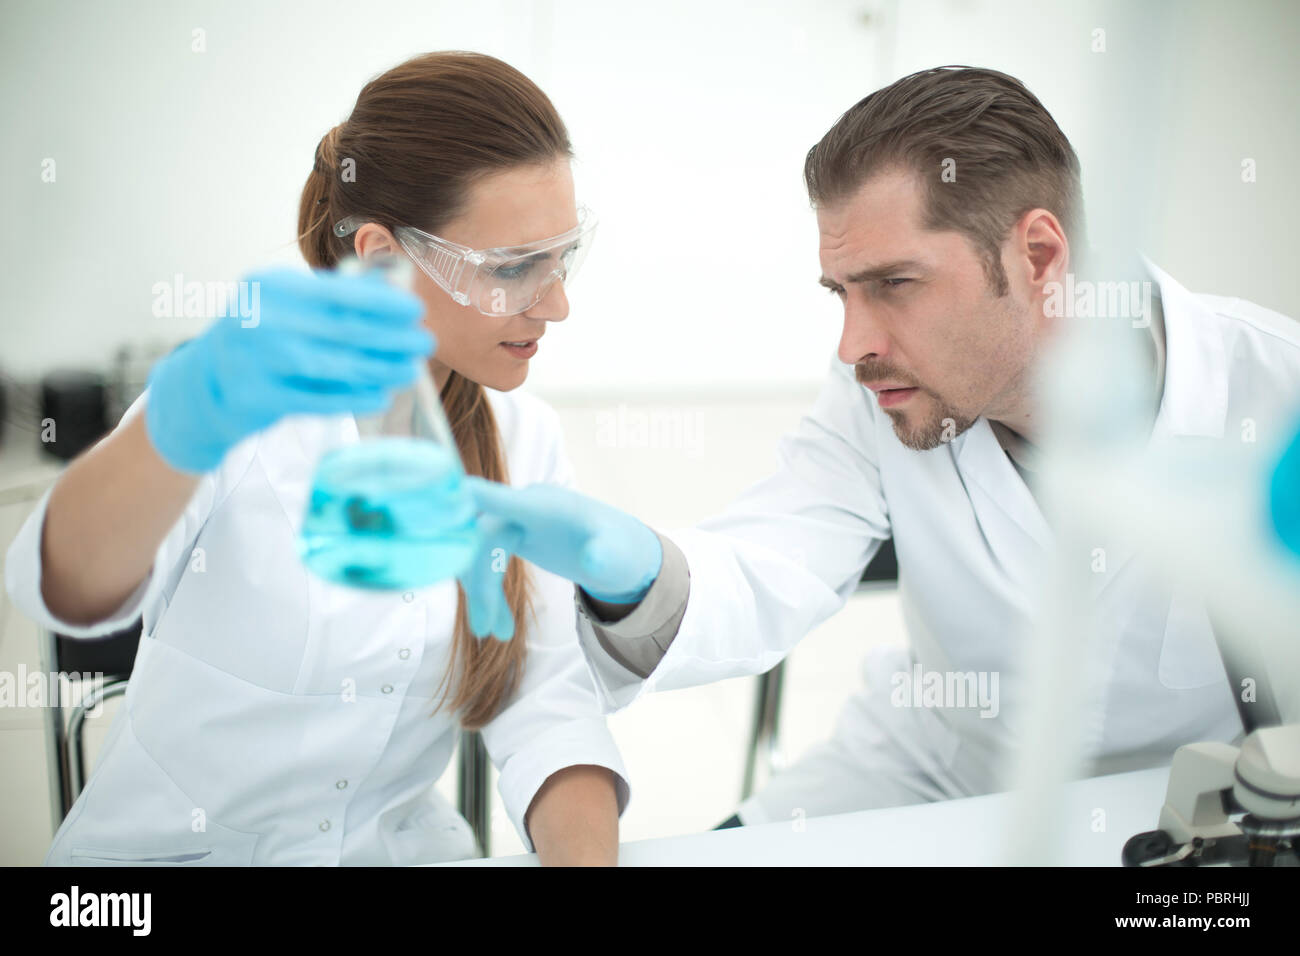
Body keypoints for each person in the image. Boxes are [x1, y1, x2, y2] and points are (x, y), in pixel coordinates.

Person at [462, 66, 1300, 828]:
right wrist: (633, 569)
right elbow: (772, 562)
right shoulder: (882, 390)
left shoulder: (1272, 394)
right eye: (841, 293)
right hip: (934, 770)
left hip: (1188, 800)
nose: (853, 342)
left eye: (895, 285)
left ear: (1039, 255)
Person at [4, 51, 630, 865]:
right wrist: (185, 422)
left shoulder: (525, 438)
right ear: (381, 258)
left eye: (562, 257)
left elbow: (545, 704)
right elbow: (63, 588)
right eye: (514, 268)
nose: (558, 304)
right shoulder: (233, 408)